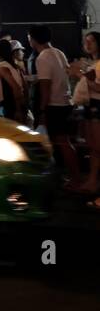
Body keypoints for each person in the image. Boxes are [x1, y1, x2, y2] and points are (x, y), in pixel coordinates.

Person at [28, 23, 79, 182]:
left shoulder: (42, 57)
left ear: (34, 39)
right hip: (65, 102)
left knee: (62, 142)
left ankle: (74, 177)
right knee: (62, 142)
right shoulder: (59, 53)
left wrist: (42, 111)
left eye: (29, 38)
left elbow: (45, 86)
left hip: (54, 105)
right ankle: (68, 176)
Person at [67, 32, 100, 196]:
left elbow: (98, 88)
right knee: (93, 148)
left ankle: (93, 181)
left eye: (91, 41)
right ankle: (92, 180)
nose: (87, 45)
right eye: (85, 42)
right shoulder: (92, 63)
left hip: (97, 107)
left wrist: (81, 75)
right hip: (89, 106)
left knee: (96, 147)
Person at [0, 38, 27, 124]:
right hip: (19, 105)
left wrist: (18, 110)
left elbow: (16, 87)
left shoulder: (2, 67)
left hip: (10, 107)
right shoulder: (16, 67)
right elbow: (25, 86)